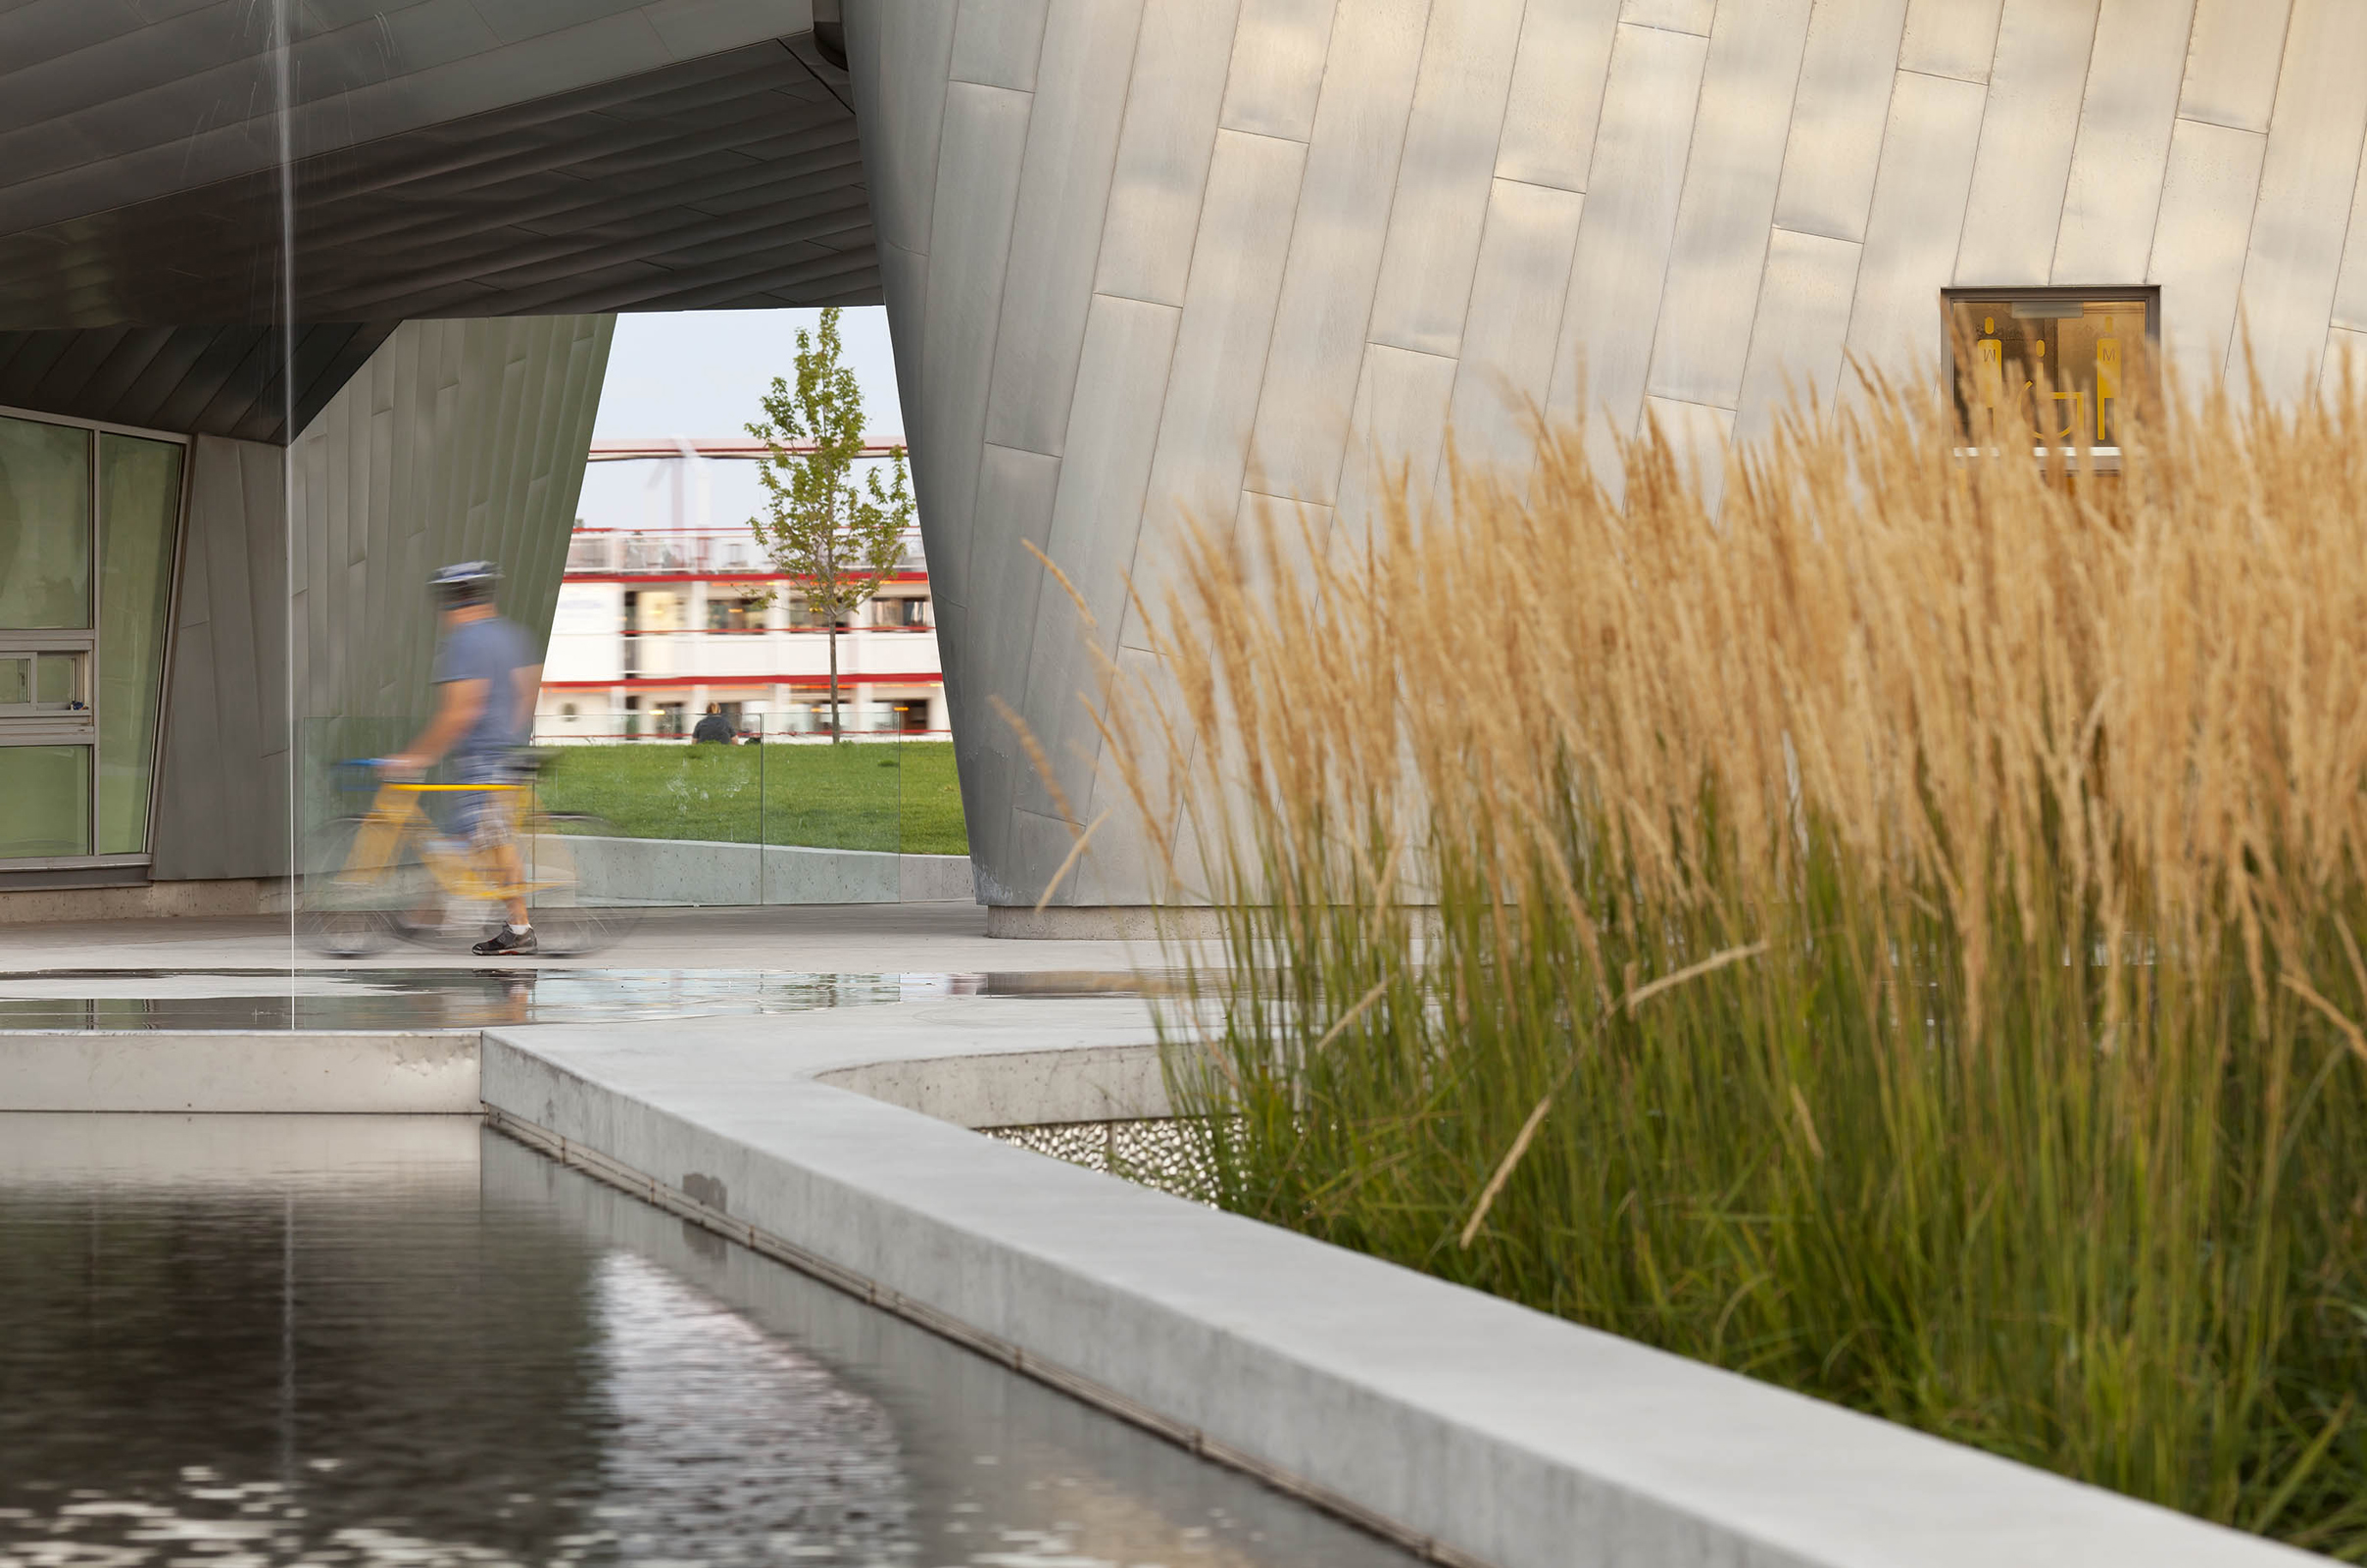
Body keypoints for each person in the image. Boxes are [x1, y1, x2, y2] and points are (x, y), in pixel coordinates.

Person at [388, 562, 543, 956]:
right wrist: (507, 736)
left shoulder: (465, 641)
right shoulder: (513, 636)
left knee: (490, 838)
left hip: (481, 760)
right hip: (507, 752)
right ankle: (431, 911)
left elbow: (460, 712)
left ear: (450, 602)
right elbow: (527, 692)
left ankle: (513, 925)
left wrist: (414, 757)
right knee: (473, 838)